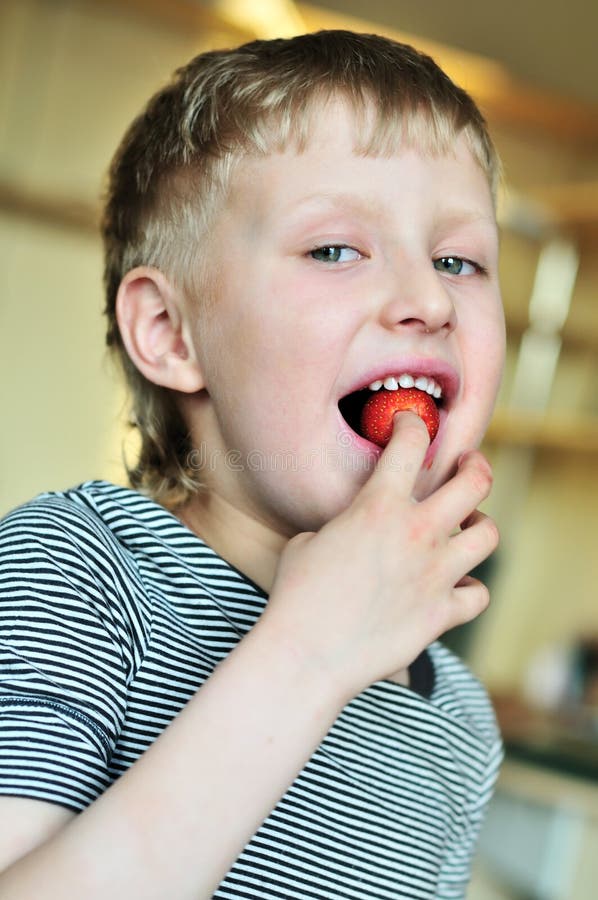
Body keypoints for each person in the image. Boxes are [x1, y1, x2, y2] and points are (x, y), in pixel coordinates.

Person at [0, 30, 505, 899]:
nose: (429, 300)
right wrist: (309, 653)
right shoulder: (70, 575)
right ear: (170, 333)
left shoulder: (458, 721)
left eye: (458, 261)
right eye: (335, 249)